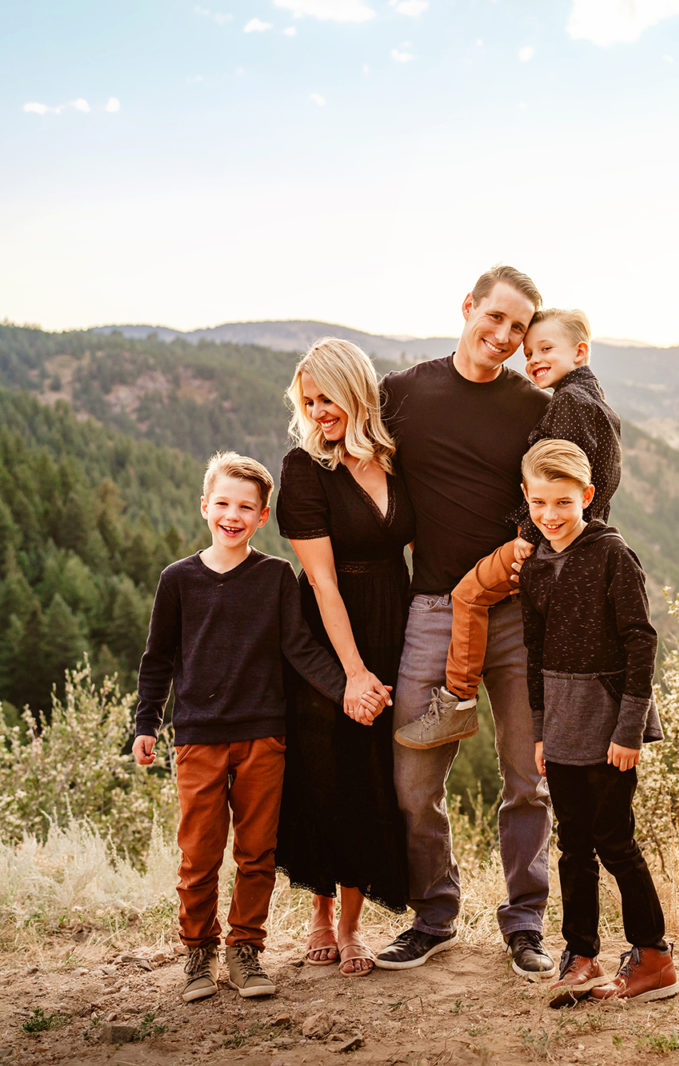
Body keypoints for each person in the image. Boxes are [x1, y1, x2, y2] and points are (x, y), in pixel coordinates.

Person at [374, 266, 556, 977]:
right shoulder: (405, 393)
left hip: (514, 614)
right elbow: (350, 457)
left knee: (526, 778)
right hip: (432, 612)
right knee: (413, 782)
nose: (505, 337)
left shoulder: (529, 406)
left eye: (519, 328)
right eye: (497, 319)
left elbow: (569, 482)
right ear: (468, 307)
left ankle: (526, 922)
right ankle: (436, 913)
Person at [133, 452, 349, 1003]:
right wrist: (147, 724)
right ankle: (199, 952)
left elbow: (299, 648)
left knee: (257, 852)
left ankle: (246, 948)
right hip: (198, 738)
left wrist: (349, 685)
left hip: (263, 737)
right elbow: (158, 659)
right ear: (205, 505)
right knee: (199, 854)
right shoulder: (177, 580)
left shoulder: (275, 576)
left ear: (263, 516)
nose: (233, 515)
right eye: (223, 503)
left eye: (245, 507)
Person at [396, 308, 622, 755]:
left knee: (469, 594)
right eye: (530, 351)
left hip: (541, 540)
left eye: (547, 349)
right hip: (568, 540)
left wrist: (526, 532)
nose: (534, 359)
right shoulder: (597, 404)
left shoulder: (569, 404)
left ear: (580, 352)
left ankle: (458, 701)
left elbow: (557, 480)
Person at [516, 438, 674, 1006]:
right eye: (539, 503)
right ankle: (581, 955)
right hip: (560, 726)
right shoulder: (533, 566)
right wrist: (539, 729)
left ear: (586, 496)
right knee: (572, 847)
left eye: (563, 502)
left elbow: (641, 641)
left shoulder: (612, 554)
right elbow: (533, 653)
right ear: (527, 501)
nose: (550, 516)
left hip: (610, 728)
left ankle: (653, 956)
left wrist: (629, 730)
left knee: (615, 843)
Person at [273, 338, 412, 978]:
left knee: (373, 776)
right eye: (309, 401)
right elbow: (323, 584)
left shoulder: (394, 456)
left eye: (327, 397)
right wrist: (352, 673)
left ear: (356, 391)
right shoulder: (304, 468)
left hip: (395, 621)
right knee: (329, 773)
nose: (318, 411)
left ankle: (354, 925)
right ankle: (321, 916)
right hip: (333, 637)